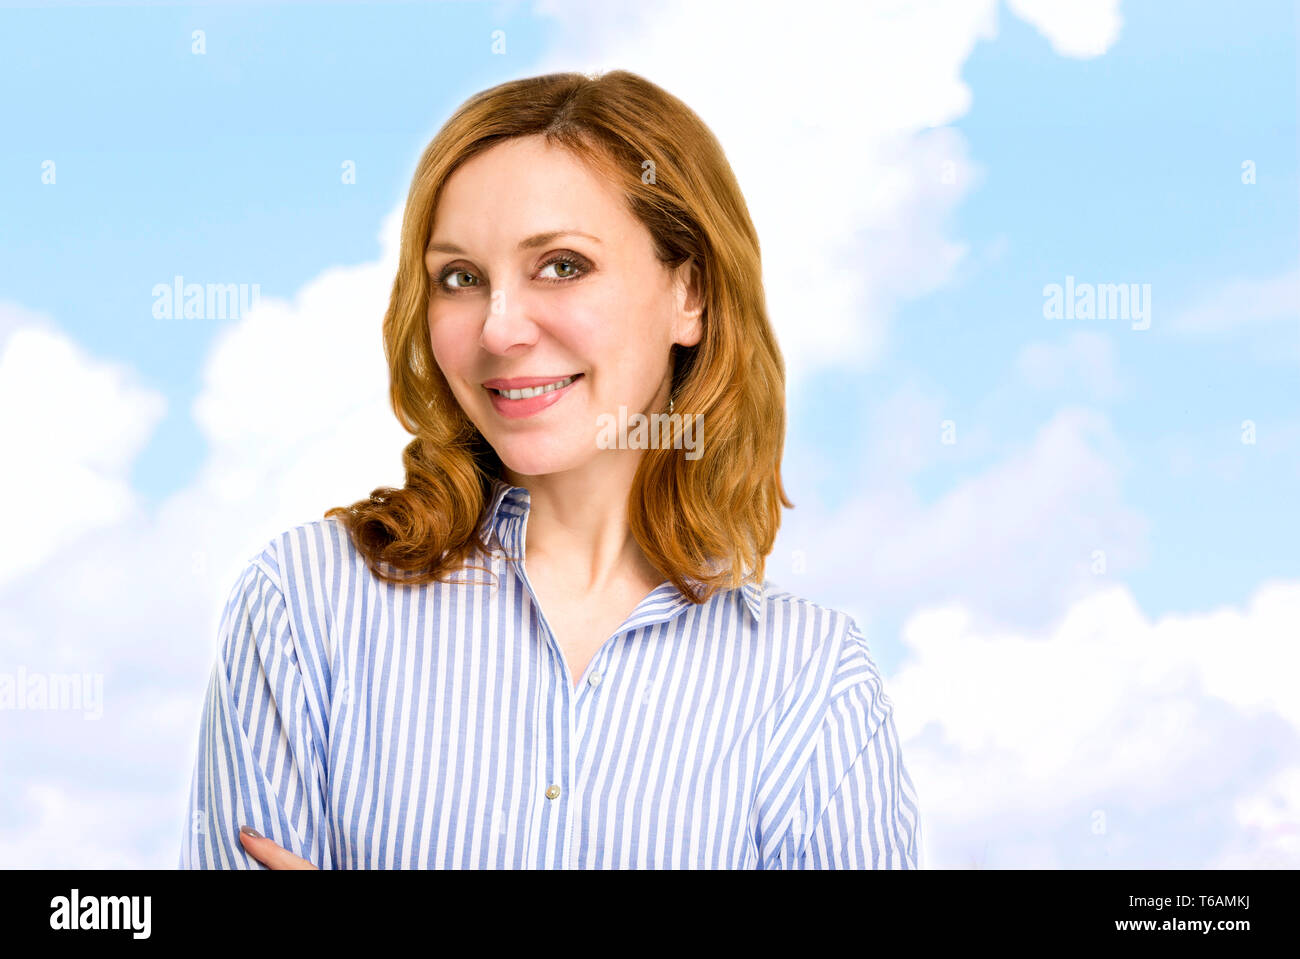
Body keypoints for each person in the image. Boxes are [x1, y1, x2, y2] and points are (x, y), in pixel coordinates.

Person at [179, 69, 921, 869]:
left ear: (690, 293)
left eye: (562, 265)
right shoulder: (305, 605)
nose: (500, 329)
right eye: (459, 278)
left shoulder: (810, 683)